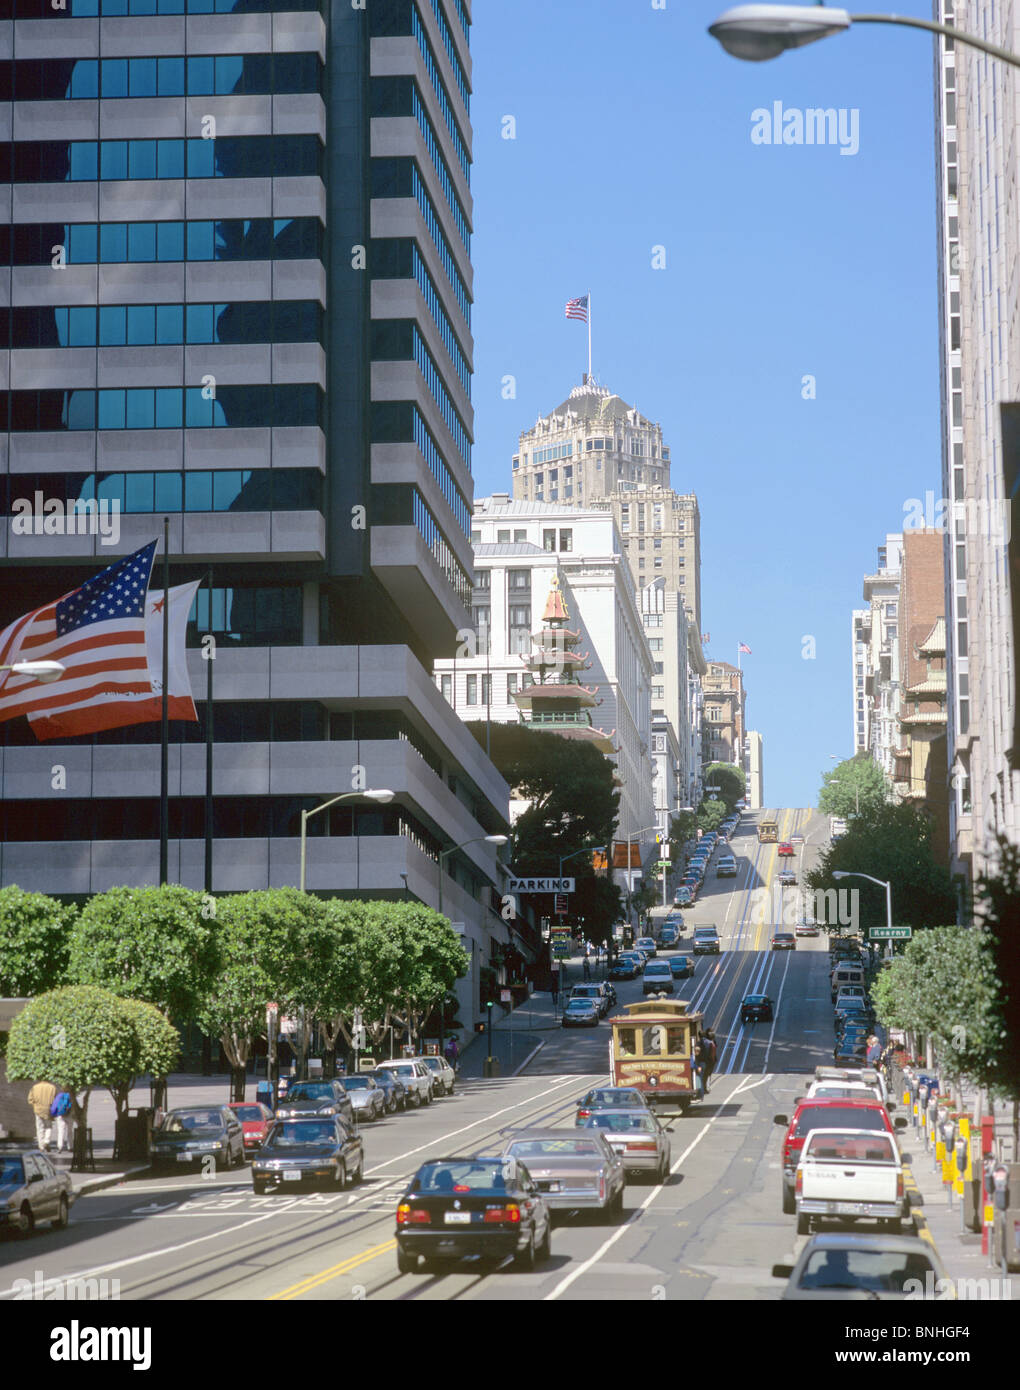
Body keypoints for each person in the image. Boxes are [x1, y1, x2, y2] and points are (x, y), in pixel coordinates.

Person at [27, 1079, 57, 1152]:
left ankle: (41, 1146)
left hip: (38, 1110)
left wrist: (35, 1105)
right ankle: (46, 1141)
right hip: (48, 1110)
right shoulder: (52, 1087)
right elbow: (55, 1100)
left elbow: (30, 1100)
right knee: (48, 1127)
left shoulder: (35, 1087)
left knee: (40, 1128)